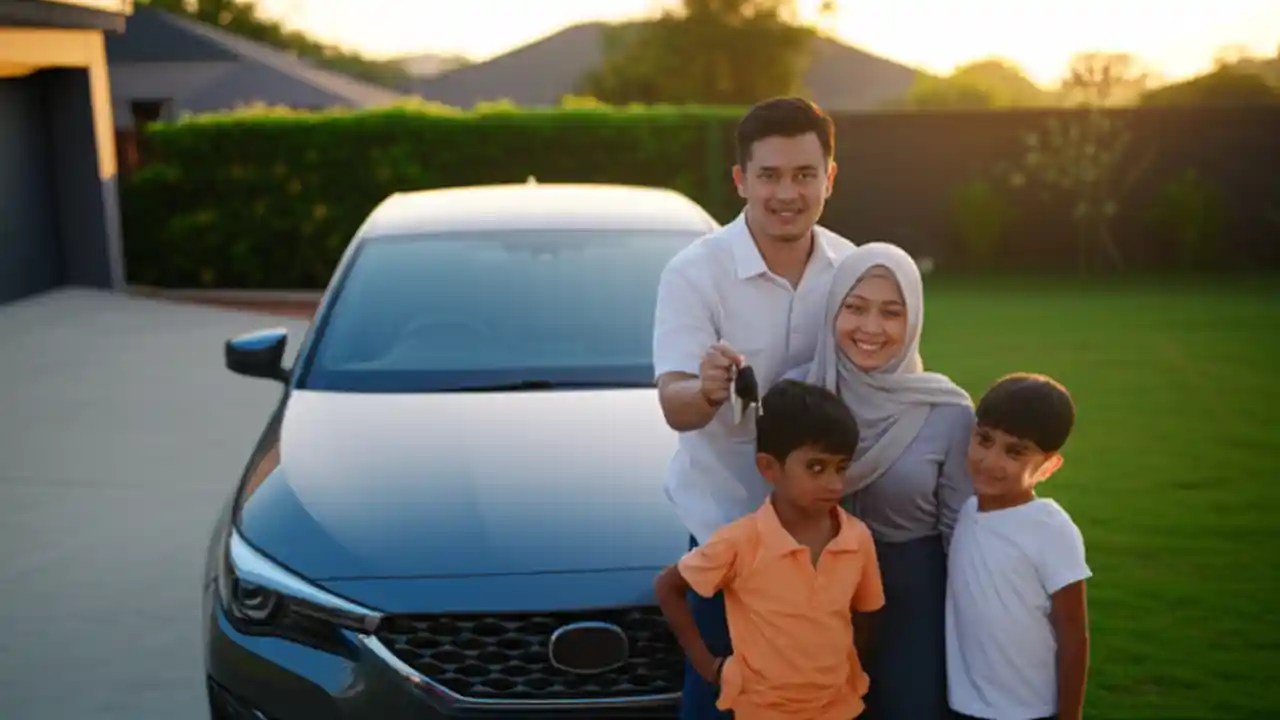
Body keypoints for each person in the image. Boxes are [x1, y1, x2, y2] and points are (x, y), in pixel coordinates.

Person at [652, 96, 855, 718]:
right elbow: (674, 405)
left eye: (803, 174)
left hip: (826, 536)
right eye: (768, 175)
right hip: (727, 528)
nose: (786, 193)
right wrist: (708, 390)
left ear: (830, 177)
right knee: (722, 699)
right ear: (741, 180)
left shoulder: (855, 268)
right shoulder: (694, 272)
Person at [803, 241, 976, 719]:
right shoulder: (801, 396)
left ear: (914, 319)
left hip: (911, 597)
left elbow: (962, 533)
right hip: (812, 594)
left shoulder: (948, 411)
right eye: (854, 308)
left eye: (891, 313)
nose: (871, 328)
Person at [654, 380, 884, 719]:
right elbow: (668, 588)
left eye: (841, 467)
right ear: (768, 467)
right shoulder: (740, 541)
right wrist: (710, 668)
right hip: (762, 709)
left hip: (838, 707)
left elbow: (865, 614)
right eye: (815, 467)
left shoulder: (857, 539)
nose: (834, 483)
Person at [946, 373, 1090, 720]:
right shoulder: (966, 512)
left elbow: (1074, 635)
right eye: (984, 440)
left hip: (1028, 710)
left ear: (1048, 465)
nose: (990, 460)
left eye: (1015, 452)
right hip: (963, 705)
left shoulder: (1050, 528)